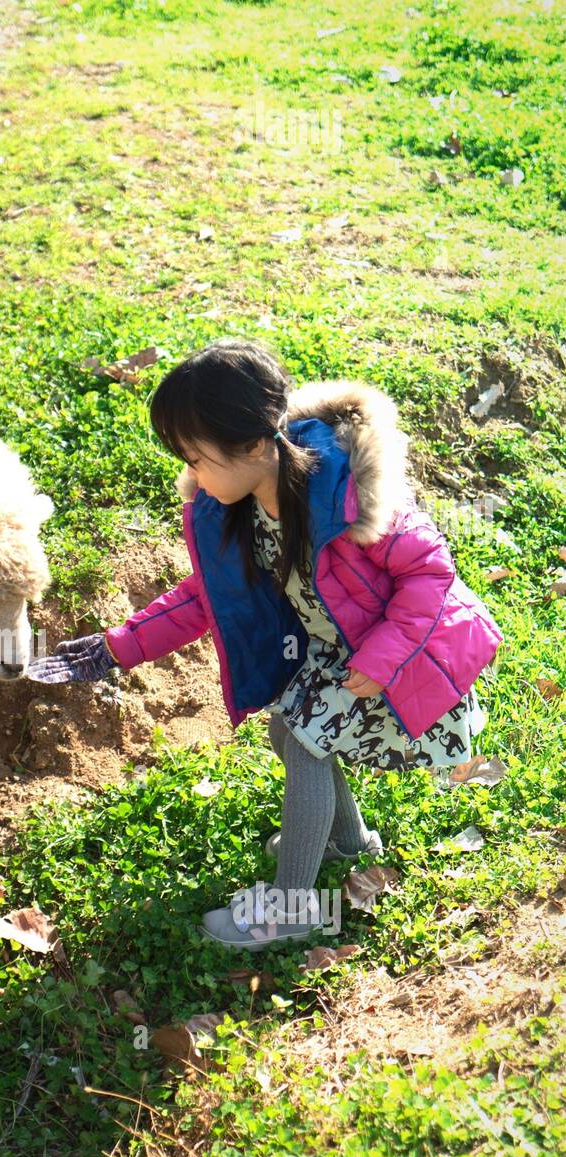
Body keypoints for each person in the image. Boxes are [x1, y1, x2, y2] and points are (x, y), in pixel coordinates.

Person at [28, 339, 503, 950]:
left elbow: (429, 573)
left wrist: (384, 658)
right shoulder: (240, 506)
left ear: (254, 445)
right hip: (341, 652)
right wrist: (115, 648)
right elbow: (205, 598)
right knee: (288, 729)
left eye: (196, 458)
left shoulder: (350, 492)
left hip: (404, 654)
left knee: (304, 742)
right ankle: (350, 843)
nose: (191, 475)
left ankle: (292, 908)